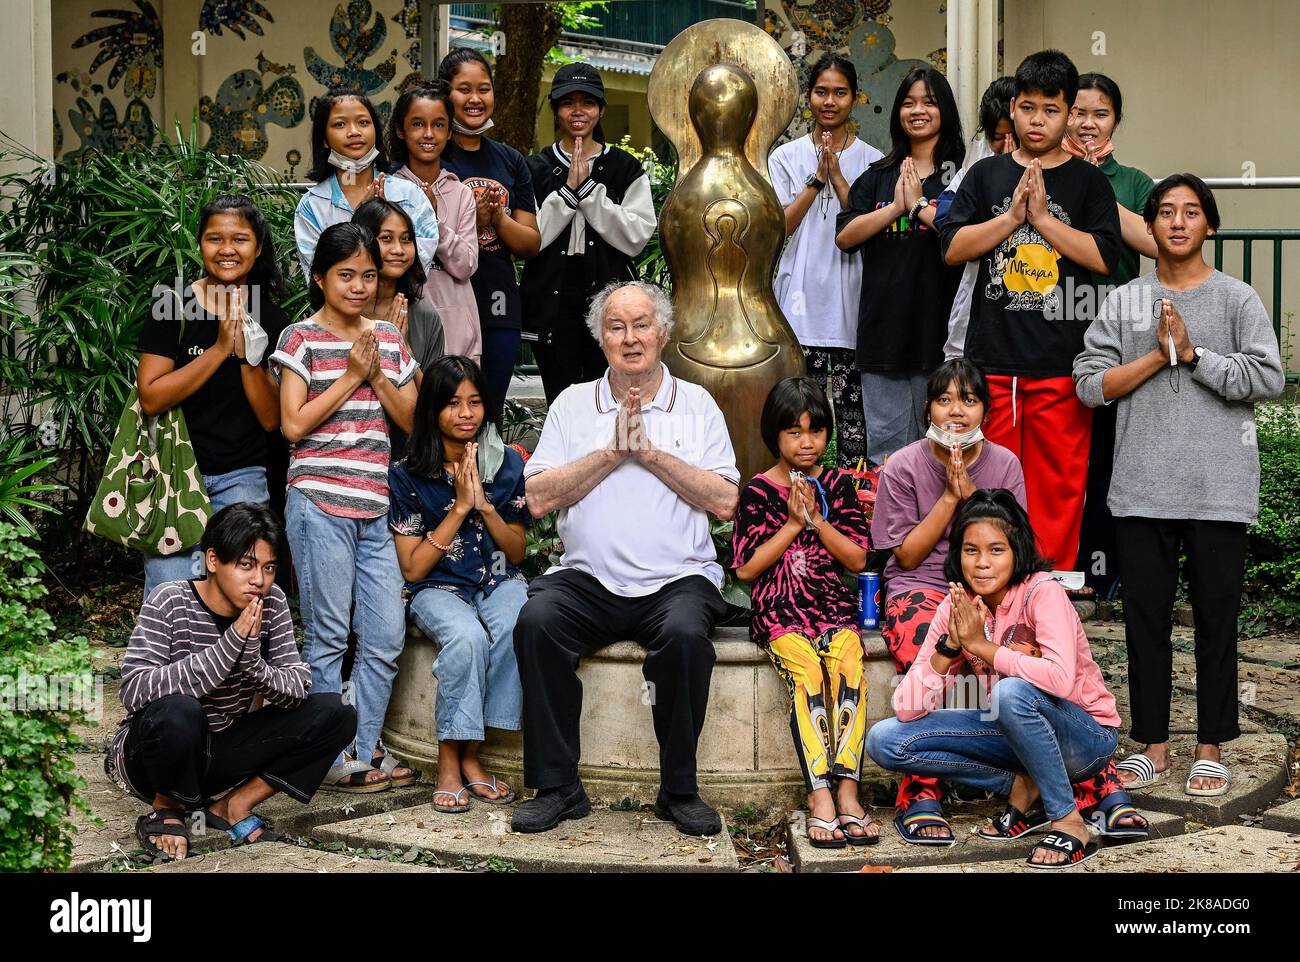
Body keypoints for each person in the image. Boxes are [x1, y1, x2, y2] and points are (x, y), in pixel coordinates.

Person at [870, 358, 1146, 843]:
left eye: (969, 400)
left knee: (1014, 687)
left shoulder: (1006, 473)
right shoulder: (903, 464)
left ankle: (1078, 800)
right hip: (927, 584)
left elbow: (1006, 537)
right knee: (911, 687)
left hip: (1007, 593)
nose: (956, 411)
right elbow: (909, 556)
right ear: (926, 408)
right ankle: (943, 791)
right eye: (944, 399)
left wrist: (970, 499)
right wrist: (954, 645)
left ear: (986, 410)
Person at [1073, 173, 1286, 797]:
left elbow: (1268, 378)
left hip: (1219, 490)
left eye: (1191, 212)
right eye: (1165, 212)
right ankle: (1154, 745)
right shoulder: (1125, 300)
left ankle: (1212, 747)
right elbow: (1089, 383)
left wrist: (1194, 357)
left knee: (1218, 619)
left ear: (1209, 225)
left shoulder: (1237, 299)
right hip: (1141, 488)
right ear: (1151, 226)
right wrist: (1156, 356)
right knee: (1145, 620)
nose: (1177, 222)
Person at [511, 281, 740, 836]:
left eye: (642, 325)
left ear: (663, 334)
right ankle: (558, 786)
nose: (631, 338)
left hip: (678, 578)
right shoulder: (571, 403)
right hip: (588, 579)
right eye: (617, 327)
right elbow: (537, 497)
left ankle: (679, 790)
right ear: (600, 337)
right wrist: (612, 450)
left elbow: (727, 500)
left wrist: (650, 453)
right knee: (537, 623)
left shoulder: (697, 403)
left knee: (686, 639)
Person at [867, 490, 1125, 868]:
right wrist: (951, 647)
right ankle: (1027, 782)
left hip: (1086, 737)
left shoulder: (1043, 591)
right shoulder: (956, 606)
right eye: (971, 551)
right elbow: (906, 708)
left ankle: (1069, 822)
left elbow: (1059, 680)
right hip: (1015, 736)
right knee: (885, 740)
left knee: (1010, 693)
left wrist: (981, 646)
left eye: (996, 550)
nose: (982, 564)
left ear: (1017, 550)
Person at [941, 49, 1121, 573]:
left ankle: (1053, 585)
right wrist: (1013, 217)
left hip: (1061, 362)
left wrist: (1042, 219)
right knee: (987, 482)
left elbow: (1103, 256)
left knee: (1060, 482)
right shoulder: (985, 175)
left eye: (1050, 109)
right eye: (1027, 107)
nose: (1036, 120)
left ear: (1067, 115)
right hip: (991, 361)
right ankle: (991, 584)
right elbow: (952, 247)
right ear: (1012, 109)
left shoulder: (1090, 184)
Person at [106, 504, 356, 861]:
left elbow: (298, 686)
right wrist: (230, 645)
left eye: (268, 568)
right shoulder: (170, 600)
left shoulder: (272, 603)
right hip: (151, 758)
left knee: (337, 712)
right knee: (179, 709)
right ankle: (167, 809)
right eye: (246, 565)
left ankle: (232, 805)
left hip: (218, 752)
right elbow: (134, 691)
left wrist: (252, 660)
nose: (259, 580)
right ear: (212, 560)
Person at [271, 223, 420, 793]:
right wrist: (351, 376)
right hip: (318, 501)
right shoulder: (299, 338)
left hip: (376, 505)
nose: (359, 286)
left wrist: (375, 370)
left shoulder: (386, 335)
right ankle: (326, 755)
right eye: (345, 275)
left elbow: (409, 421)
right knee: (329, 636)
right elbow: (292, 425)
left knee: (384, 637)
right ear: (319, 277)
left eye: (368, 275)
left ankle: (359, 749)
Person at [732, 377, 877, 848]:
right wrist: (793, 524)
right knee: (809, 674)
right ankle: (819, 794)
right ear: (774, 435)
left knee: (850, 663)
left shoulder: (837, 484)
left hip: (833, 610)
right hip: (779, 613)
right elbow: (748, 569)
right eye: (794, 432)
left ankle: (849, 790)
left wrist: (817, 520)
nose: (807, 442)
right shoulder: (757, 491)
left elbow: (857, 559)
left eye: (816, 431)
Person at [389, 356, 530, 813]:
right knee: (466, 638)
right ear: (432, 410)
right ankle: (450, 761)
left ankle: (472, 755)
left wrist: (485, 507)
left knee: (515, 621)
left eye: (474, 402)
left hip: (497, 577)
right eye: (452, 403)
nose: (466, 413)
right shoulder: (408, 473)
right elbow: (411, 568)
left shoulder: (507, 464)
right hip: (437, 586)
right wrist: (458, 508)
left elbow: (517, 552)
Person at [136, 194, 289, 600]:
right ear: (199, 243)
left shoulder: (271, 317)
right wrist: (219, 349)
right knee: (168, 598)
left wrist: (243, 354)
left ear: (257, 247)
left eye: (239, 239)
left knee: (242, 595)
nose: (226, 250)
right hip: (174, 474)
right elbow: (151, 397)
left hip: (242, 475)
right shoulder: (172, 305)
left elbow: (273, 419)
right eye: (214, 238)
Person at [835, 67, 965, 466]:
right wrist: (895, 207)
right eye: (908, 103)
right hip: (883, 333)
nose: (917, 110)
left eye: (928, 102)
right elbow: (845, 236)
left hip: (942, 335)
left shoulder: (963, 174)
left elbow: (966, 236)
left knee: (945, 450)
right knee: (886, 455)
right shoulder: (877, 176)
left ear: (944, 109)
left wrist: (919, 206)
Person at [1067, 72, 1157, 600]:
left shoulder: (1134, 182)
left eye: (1100, 114)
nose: (1087, 123)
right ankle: (1060, 568)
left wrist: (1096, 185)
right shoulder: (1049, 172)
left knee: (1108, 457)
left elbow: (1151, 240)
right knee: (1064, 460)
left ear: (1115, 121)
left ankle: (1104, 573)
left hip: (1117, 338)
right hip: (1053, 328)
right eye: (1078, 111)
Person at [768, 54, 883, 469]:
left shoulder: (874, 161)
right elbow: (779, 227)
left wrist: (838, 177)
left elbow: (868, 224)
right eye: (821, 92)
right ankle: (799, 496)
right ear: (808, 96)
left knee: (855, 414)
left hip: (852, 301)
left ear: (855, 98)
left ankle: (853, 498)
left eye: (840, 92)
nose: (829, 101)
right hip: (799, 301)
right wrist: (817, 180)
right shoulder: (785, 157)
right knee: (802, 414)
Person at [523, 62, 656, 403]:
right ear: (555, 109)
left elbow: (637, 236)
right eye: (568, 102)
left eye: (588, 102)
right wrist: (568, 191)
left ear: (601, 109)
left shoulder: (625, 167)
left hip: (611, 297)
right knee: (560, 398)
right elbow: (532, 237)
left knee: (610, 396)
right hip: (552, 297)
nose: (578, 111)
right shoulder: (535, 167)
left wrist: (591, 192)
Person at [438, 49, 541, 423]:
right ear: (444, 93)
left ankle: (485, 479)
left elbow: (530, 242)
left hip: (498, 297)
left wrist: (496, 217)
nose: (475, 99)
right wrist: (470, 219)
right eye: (463, 89)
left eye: (484, 89)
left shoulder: (511, 160)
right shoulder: (433, 157)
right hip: (445, 296)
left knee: (488, 406)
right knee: (446, 405)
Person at [293, 88, 438, 281]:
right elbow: (318, 276)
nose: (354, 132)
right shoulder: (312, 206)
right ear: (324, 140)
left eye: (363, 122)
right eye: (339, 124)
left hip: (400, 307)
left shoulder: (410, 195)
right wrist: (362, 221)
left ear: (375, 131)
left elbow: (419, 268)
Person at [388, 79, 482, 364]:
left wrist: (434, 220)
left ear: (449, 132)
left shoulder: (461, 193)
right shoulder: (389, 189)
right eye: (417, 124)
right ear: (400, 130)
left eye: (439, 125)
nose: (428, 134)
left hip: (459, 330)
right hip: (405, 320)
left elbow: (466, 265)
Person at [935, 76, 1018, 360]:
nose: (1007, 144)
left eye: (1014, 135)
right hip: (978, 304)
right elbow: (946, 218)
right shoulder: (977, 164)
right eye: (998, 136)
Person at [350, 197, 446, 376]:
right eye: (386, 238)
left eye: (406, 239)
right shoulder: (343, 308)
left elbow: (434, 397)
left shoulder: (425, 316)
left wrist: (403, 349)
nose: (399, 250)